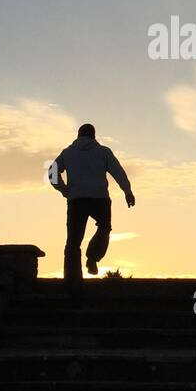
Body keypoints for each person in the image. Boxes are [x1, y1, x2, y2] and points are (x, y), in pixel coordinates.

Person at [49, 123, 134, 288]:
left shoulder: (68, 153)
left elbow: (52, 171)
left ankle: (72, 281)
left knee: (73, 241)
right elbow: (118, 172)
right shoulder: (103, 152)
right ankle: (93, 257)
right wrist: (127, 191)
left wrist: (64, 189)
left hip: (76, 200)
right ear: (94, 136)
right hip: (99, 199)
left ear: (78, 136)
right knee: (104, 228)